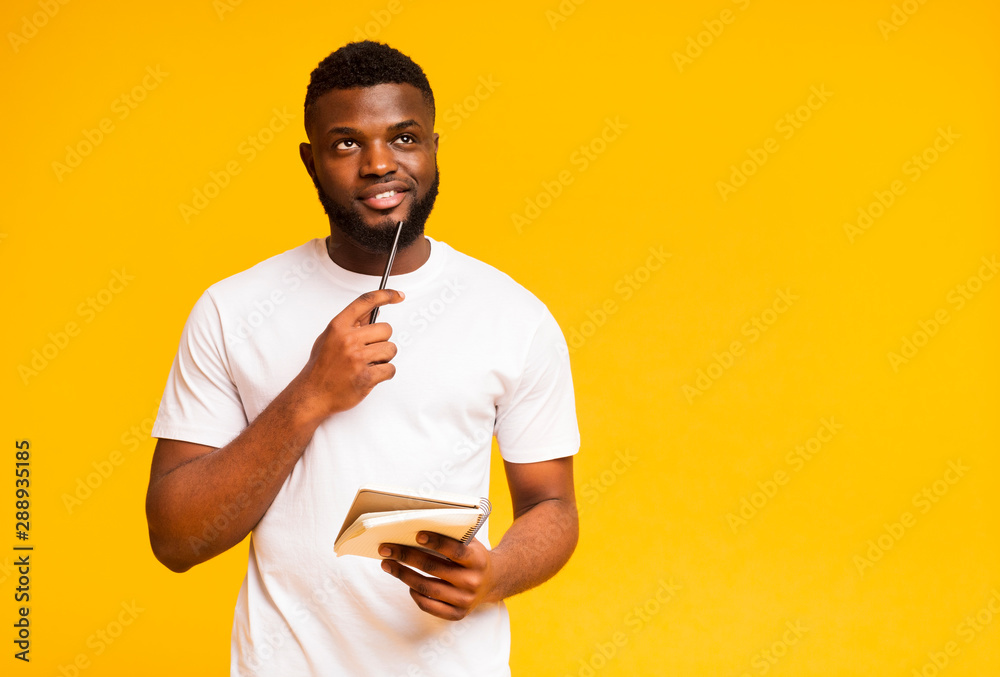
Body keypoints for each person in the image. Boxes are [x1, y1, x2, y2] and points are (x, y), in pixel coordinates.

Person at [145, 40, 580, 676]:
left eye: (404, 138)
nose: (379, 163)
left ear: (433, 148)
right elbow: (176, 539)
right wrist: (310, 395)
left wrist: (496, 574)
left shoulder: (513, 315)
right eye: (347, 143)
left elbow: (552, 505)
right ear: (310, 160)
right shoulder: (232, 309)